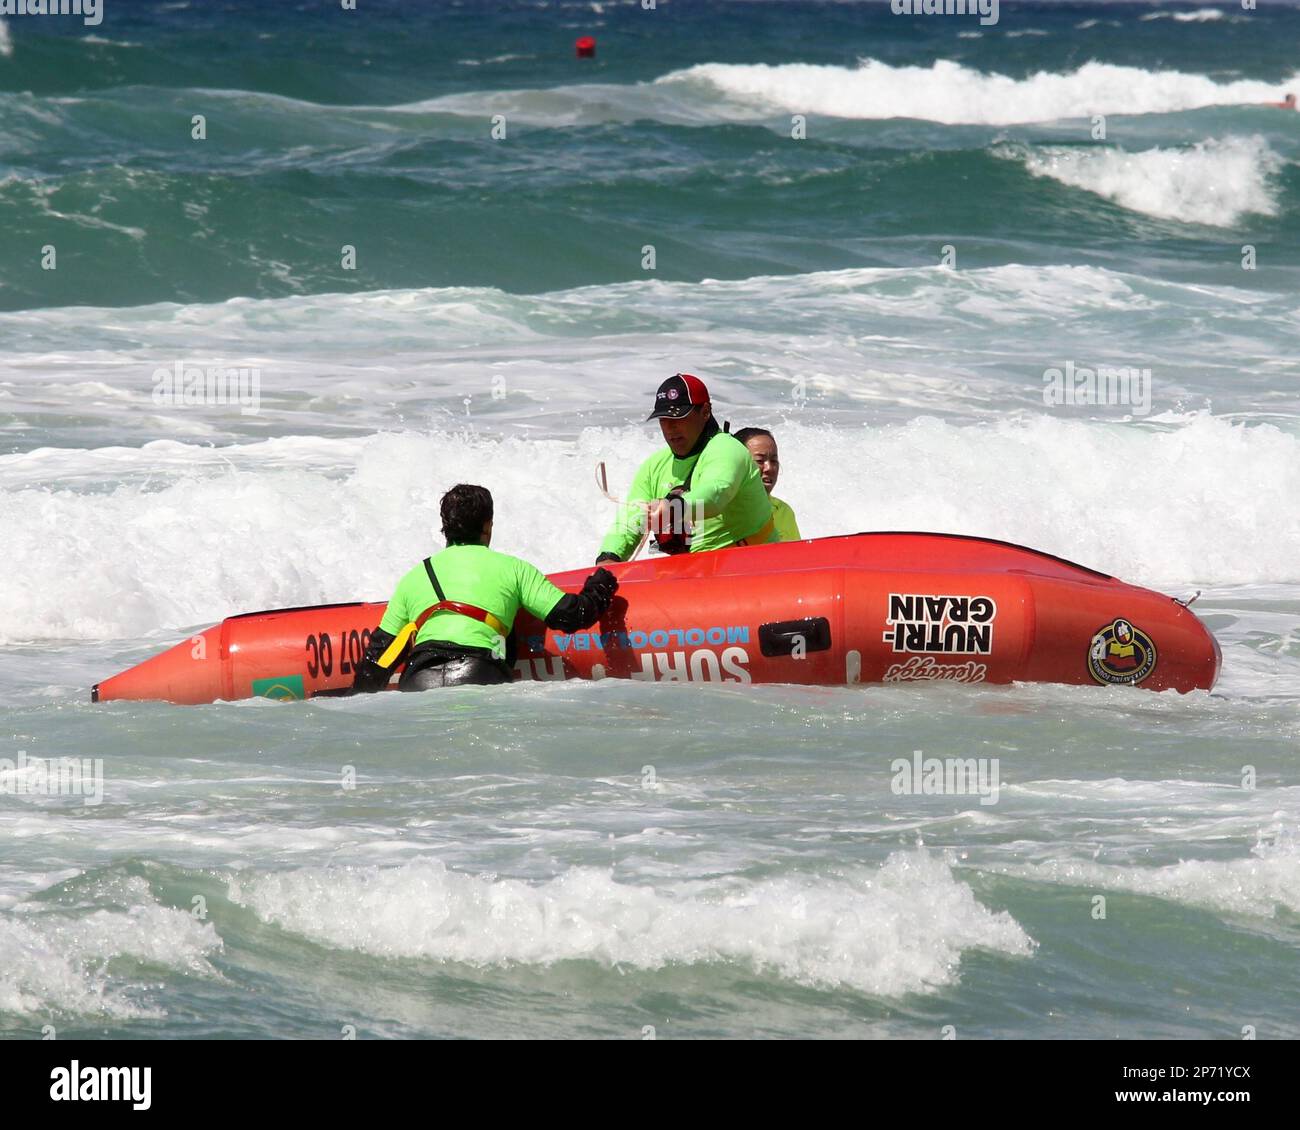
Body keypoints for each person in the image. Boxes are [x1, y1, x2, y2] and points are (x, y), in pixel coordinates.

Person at [353, 484, 618, 691]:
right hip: (480, 674)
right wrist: (602, 583)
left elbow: (376, 660)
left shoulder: (415, 575)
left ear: (444, 528)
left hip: (419, 681)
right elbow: (572, 615)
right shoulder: (513, 568)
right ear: (488, 526)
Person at [596, 374, 775, 562]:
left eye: (679, 417)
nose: (670, 428)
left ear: (705, 412)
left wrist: (673, 507)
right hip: (693, 571)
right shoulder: (653, 466)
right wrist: (609, 557)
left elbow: (715, 494)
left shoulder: (727, 449)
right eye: (663, 420)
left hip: (753, 561)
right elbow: (630, 522)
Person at [733, 427, 802, 542]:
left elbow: (796, 557)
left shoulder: (783, 511)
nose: (769, 468)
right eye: (760, 461)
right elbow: (691, 551)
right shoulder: (707, 505)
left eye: (774, 461)